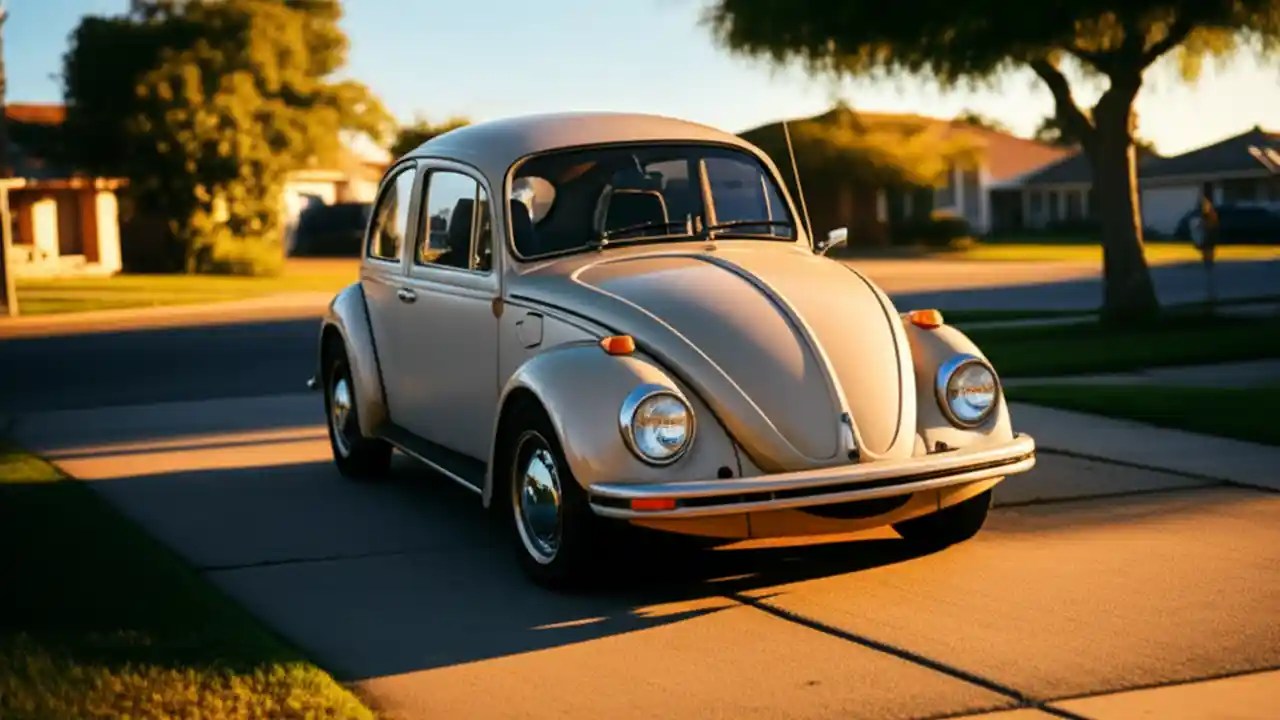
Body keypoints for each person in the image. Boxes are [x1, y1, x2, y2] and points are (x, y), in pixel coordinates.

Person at [1193, 183, 1220, 308]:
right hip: (1208, 238)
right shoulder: (1209, 214)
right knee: (1208, 254)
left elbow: (1208, 226)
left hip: (1208, 238)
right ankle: (1208, 266)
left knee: (1208, 254)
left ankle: (1209, 268)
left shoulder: (1209, 214)